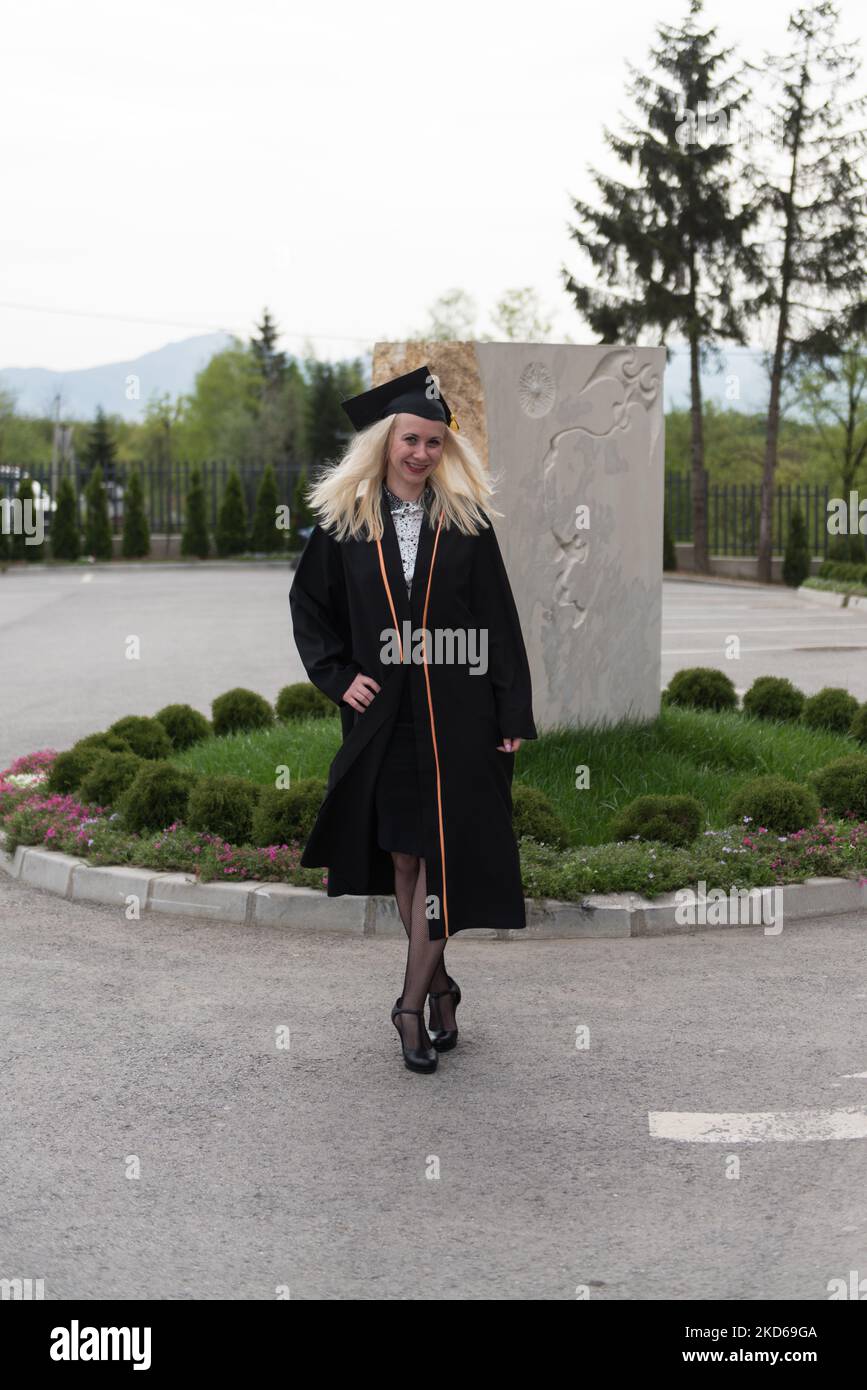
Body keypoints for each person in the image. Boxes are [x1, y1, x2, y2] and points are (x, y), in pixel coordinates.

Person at [289, 364, 537, 1075]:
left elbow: (497, 620)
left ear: (444, 450)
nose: (421, 453)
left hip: (456, 715)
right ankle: (441, 982)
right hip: (383, 719)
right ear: (385, 442)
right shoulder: (344, 523)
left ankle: (407, 1005)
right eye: (410, 440)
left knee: (436, 855)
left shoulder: (465, 522)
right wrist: (340, 678)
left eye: (433, 442)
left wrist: (509, 707)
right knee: (402, 855)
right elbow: (309, 610)